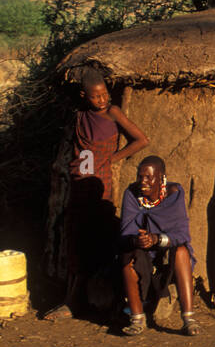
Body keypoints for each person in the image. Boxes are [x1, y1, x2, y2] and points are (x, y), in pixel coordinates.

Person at [43, 67, 149, 320]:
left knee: (101, 236)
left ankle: (105, 299)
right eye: (95, 96)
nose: (102, 100)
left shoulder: (113, 113)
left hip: (101, 184)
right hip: (79, 183)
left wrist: (112, 158)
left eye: (104, 95)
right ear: (84, 95)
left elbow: (141, 140)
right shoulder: (78, 116)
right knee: (76, 239)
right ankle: (71, 300)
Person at [118, 156, 199, 336]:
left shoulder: (174, 193)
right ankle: (137, 319)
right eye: (140, 177)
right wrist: (136, 240)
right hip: (143, 255)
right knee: (127, 256)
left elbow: (182, 234)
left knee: (181, 251)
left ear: (161, 177)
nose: (143, 182)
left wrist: (156, 239)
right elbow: (125, 233)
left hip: (166, 255)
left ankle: (189, 319)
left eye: (148, 177)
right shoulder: (131, 194)